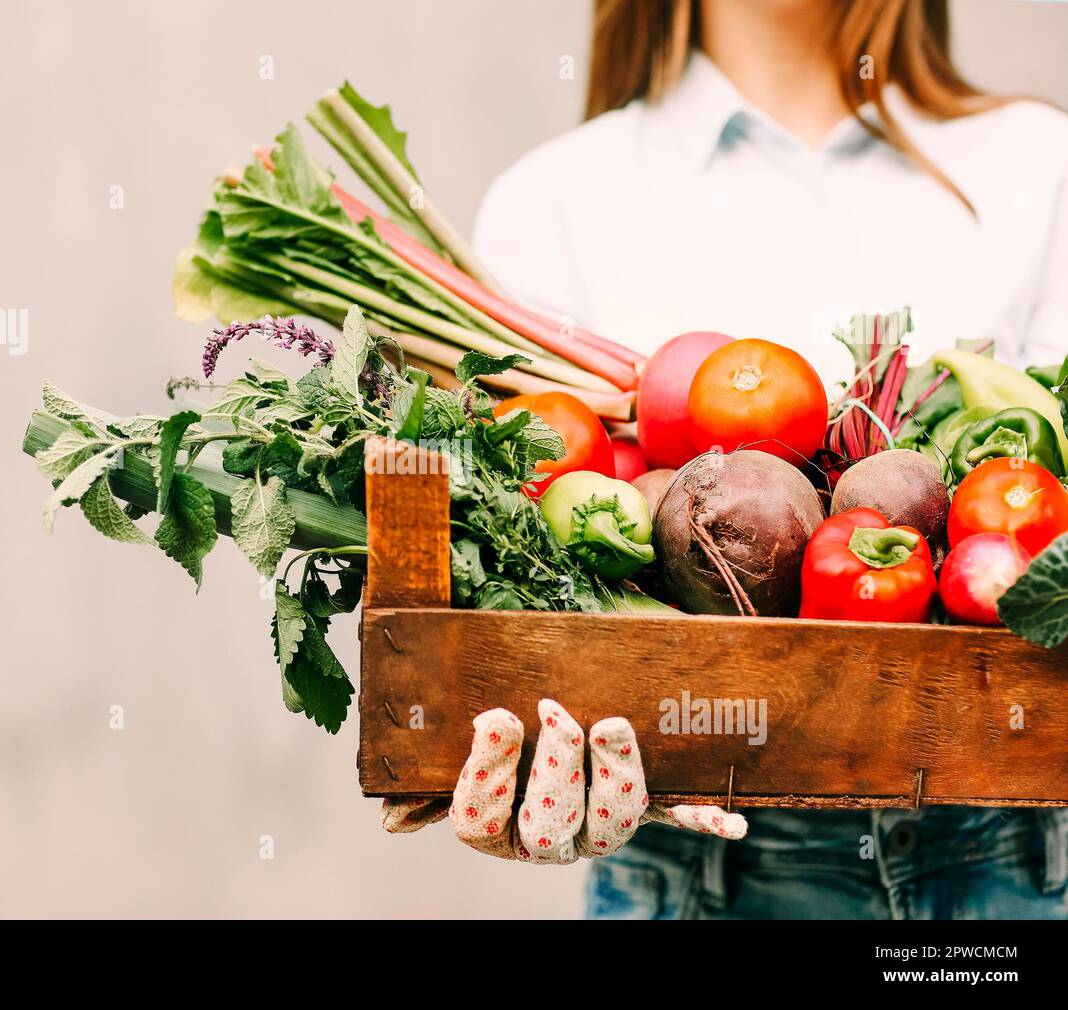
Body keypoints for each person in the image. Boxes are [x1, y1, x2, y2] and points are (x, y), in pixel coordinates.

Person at [387, 0, 1068, 919]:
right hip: (690, 872)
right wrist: (513, 742)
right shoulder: (551, 204)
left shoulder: (1040, 167)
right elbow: (514, 604)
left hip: (1007, 863)